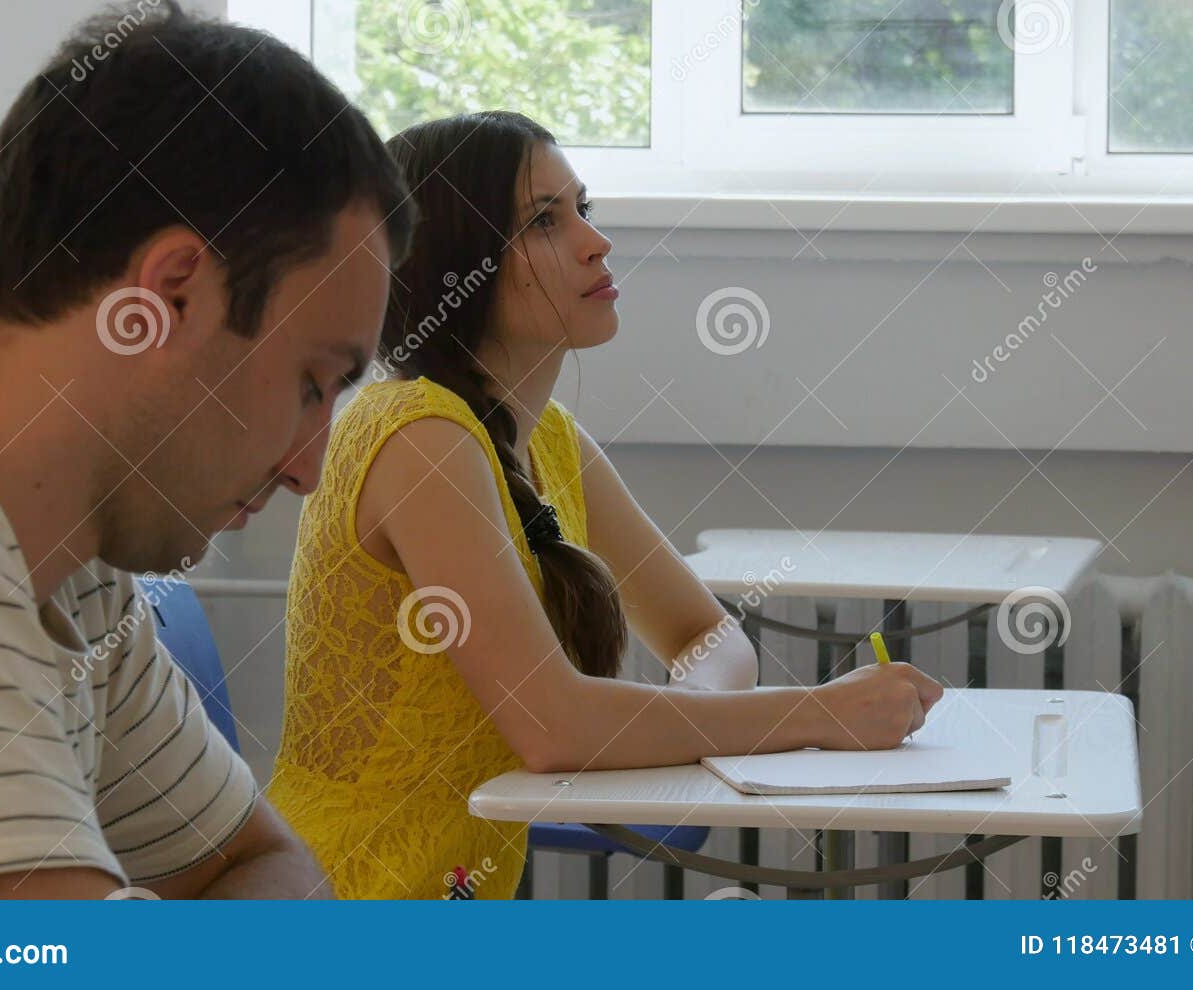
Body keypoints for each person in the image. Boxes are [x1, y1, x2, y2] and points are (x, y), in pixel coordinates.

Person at [0, 1, 414, 899]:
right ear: (172, 294)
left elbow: (265, 864)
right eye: (313, 382)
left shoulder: (76, 578)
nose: (308, 471)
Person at [268, 111, 944, 899]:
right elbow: (553, 727)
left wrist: (688, 716)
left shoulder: (550, 438)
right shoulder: (416, 438)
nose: (596, 242)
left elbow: (706, 635)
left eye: (582, 209)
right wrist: (817, 713)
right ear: (459, 261)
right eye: (543, 222)